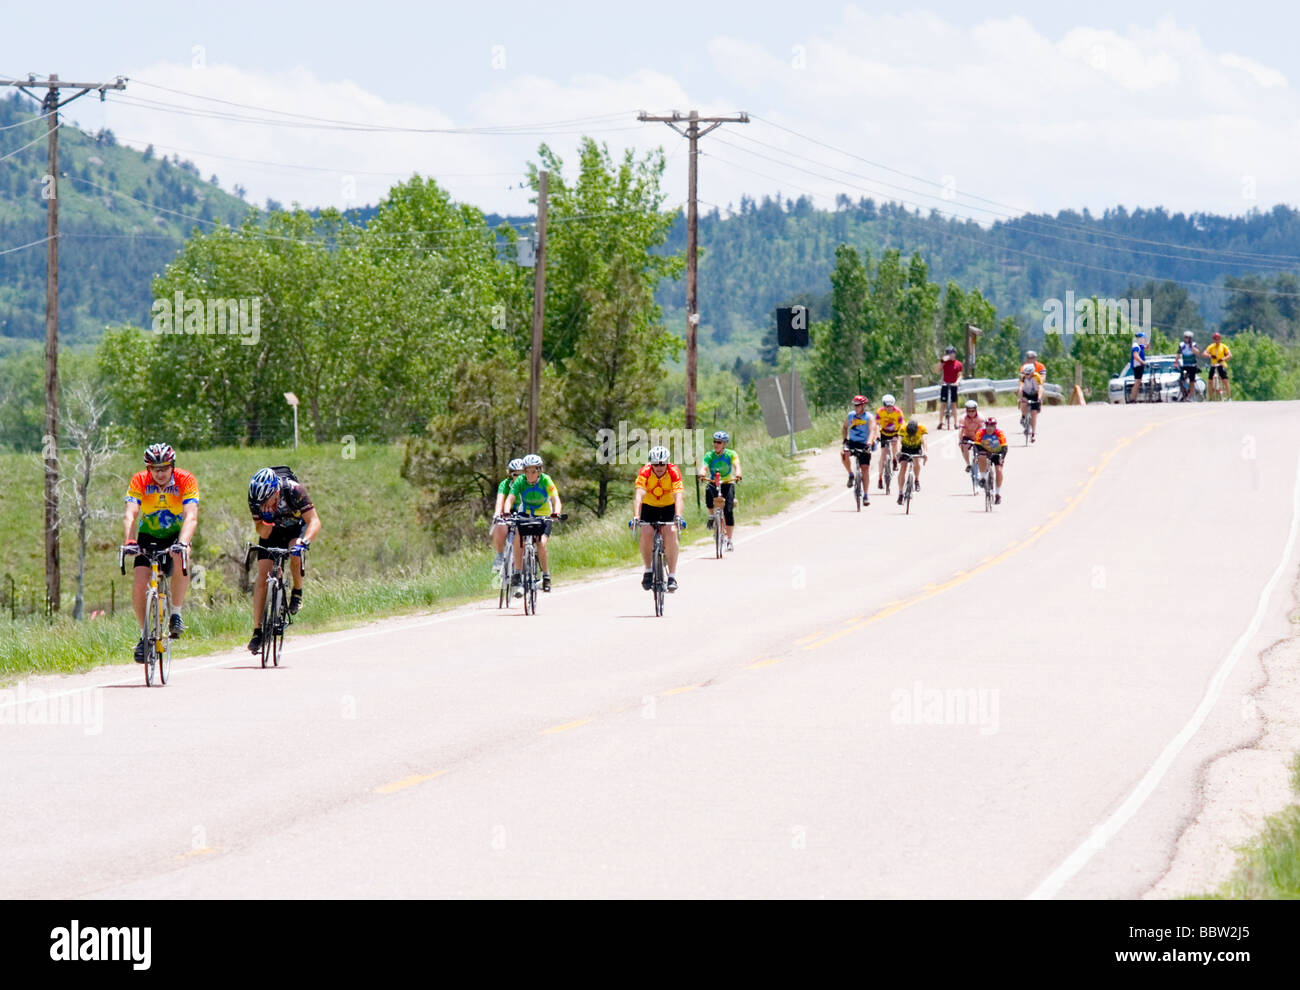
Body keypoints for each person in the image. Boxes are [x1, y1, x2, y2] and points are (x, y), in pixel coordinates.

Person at [123, 443, 199, 662]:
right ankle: (144, 636)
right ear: (148, 469)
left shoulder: (186, 480)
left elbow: (191, 516)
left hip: (176, 535)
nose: (160, 473)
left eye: (164, 468)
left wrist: (183, 543)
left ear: (172, 466)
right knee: (139, 584)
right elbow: (131, 512)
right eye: (154, 469)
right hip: (148, 536)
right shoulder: (139, 481)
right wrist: (129, 540)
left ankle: (175, 613)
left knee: (180, 556)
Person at [247, 466, 321, 654]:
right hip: (272, 530)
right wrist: (267, 519)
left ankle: (297, 591)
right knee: (262, 576)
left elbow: (314, 521)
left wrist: (305, 542)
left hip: (296, 529)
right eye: (260, 502)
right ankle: (257, 631)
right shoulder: (255, 500)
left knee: (295, 552)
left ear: (277, 491)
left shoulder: (293, 490)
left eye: (267, 500)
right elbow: (262, 532)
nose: (264, 504)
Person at [504, 453, 561, 594]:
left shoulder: (546, 480)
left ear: (539, 470)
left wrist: (556, 513)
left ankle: (546, 576)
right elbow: (510, 499)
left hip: (544, 515)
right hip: (526, 513)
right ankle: (517, 572)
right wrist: (506, 512)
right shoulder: (520, 481)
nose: (530, 474)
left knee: (541, 543)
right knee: (518, 536)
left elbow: (556, 499)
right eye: (527, 471)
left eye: (533, 471)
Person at [633, 445, 685, 592]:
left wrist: (678, 516)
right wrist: (637, 516)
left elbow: (678, 496)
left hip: (668, 506)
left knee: (671, 532)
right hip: (649, 506)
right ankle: (648, 570)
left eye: (662, 463)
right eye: (656, 464)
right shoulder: (645, 472)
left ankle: (672, 576)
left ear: (667, 462)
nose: (659, 467)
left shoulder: (673, 471)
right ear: (651, 463)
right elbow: (639, 495)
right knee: (646, 533)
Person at [700, 430, 743, 547]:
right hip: (714, 481)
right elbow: (704, 467)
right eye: (714, 441)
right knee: (708, 491)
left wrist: (738, 474)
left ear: (724, 444)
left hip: (728, 482)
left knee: (728, 511)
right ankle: (711, 516)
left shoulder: (731, 454)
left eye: (719, 442)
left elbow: (736, 465)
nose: (716, 444)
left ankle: (729, 540)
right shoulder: (709, 455)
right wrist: (702, 474)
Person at [491, 458, 525, 575]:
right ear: (510, 475)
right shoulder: (505, 484)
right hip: (509, 511)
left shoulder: (529, 483)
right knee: (499, 525)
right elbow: (500, 501)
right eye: (516, 474)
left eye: (522, 474)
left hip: (525, 511)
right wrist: (497, 513)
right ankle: (500, 555)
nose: (519, 477)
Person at [839, 396, 875, 506]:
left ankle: (865, 495)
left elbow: (872, 431)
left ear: (863, 406)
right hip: (852, 442)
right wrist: (845, 439)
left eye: (858, 405)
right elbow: (845, 427)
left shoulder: (869, 417)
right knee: (843, 453)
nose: (856, 407)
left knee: (865, 469)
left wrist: (869, 443)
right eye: (855, 405)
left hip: (864, 443)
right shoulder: (850, 416)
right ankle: (850, 474)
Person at [973, 417, 1009, 504]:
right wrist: (977, 455)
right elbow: (976, 446)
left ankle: (997, 494)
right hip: (985, 452)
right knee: (981, 457)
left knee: (999, 471)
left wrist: (1002, 458)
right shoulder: (980, 432)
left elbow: (1004, 447)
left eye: (992, 426)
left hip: (997, 453)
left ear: (995, 427)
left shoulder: (999, 433)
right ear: (985, 426)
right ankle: (982, 478)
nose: (989, 428)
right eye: (988, 426)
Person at [875, 393, 904, 490]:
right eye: (887, 406)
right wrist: (877, 434)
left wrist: (899, 435)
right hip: (883, 432)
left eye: (891, 406)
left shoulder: (898, 412)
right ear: (884, 406)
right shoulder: (879, 412)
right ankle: (880, 478)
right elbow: (877, 424)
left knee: (895, 445)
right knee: (883, 455)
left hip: (895, 432)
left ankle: (895, 460)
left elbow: (901, 425)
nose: (889, 408)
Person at [896, 418, 928, 504]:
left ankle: (916, 480)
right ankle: (900, 493)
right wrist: (898, 452)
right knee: (903, 467)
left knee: (916, 462)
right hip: (905, 448)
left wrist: (925, 453)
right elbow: (899, 441)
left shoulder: (922, 428)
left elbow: (924, 441)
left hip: (916, 448)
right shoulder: (903, 428)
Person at [935, 346, 963, 428]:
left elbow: (960, 375)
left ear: (954, 354)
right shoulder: (944, 363)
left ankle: (955, 423)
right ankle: (940, 422)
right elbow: (936, 370)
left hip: (953, 384)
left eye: (951, 353)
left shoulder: (958, 364)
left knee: (954, 404)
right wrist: (941, 361)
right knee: (943, 404)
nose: (950, 355)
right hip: (945, 384)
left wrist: (957, 382)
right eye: (948, 353)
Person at [1017, 362, 1044, 442]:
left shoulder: (1037, 377)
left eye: (1028, 374)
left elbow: (1040, 388)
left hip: (1035, 394)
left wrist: (1039, 398)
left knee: (1034, 414)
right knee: (1023, 402)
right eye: (1025, 374)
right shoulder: (1023, 377)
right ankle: (1023, 416)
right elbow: (1021, 388)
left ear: (1032, 373)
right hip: (1026, 393)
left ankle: (1033, 434)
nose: (1026, 375)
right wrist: (1020, 398)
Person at [957, 399, 983, 472]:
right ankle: (968, 464)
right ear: (966, 411)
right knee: (963, 446)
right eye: (968, 411)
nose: (971, 413)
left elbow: (983, 430)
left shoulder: (981, 418)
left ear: (976, 410)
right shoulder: (963, 418)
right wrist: (960, 440)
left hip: (978, 437)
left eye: (973, 411)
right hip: (968, 436)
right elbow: (961, 430)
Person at [1205, 331, 1232, 400]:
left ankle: (1229, 397)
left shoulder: (1223, 346)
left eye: (1218, 339)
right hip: (1213, 365)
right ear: (1213, 340)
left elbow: (1230, 355)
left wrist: (1223, 358)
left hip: (1221, 364)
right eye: (1215, 339)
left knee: (1225, 380)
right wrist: (1210, 355)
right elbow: (1204, 353)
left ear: (1220, 339)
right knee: (1210, 381)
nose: (1217, 340)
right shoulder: (1211, 347)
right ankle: (1210, 397)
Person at [1176, 330, 1201, 400]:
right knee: (1181, 380)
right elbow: (1178, 354)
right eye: (1186, 337)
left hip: (1192, 365)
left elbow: (1197, 353)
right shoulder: (1181, 345)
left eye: (1189, 337)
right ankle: (1185, 393)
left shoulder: (1194, 344)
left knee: (1192, 381)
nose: (1187, 339)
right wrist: (1175, 362)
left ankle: (1191, 396)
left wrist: (1191, 346)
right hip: (1185, 365)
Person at [1128, 331, 1147, 403]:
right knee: (1137, 382)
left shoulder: (1140, 346)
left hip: (1140, 366)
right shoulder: (1135, 345)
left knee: (1138, 382)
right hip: (1137, 366)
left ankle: (1134, 398)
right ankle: (1132, 399)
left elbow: (1147, 348)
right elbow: (1135, 356)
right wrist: (1143, 362)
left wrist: (1147, 343)